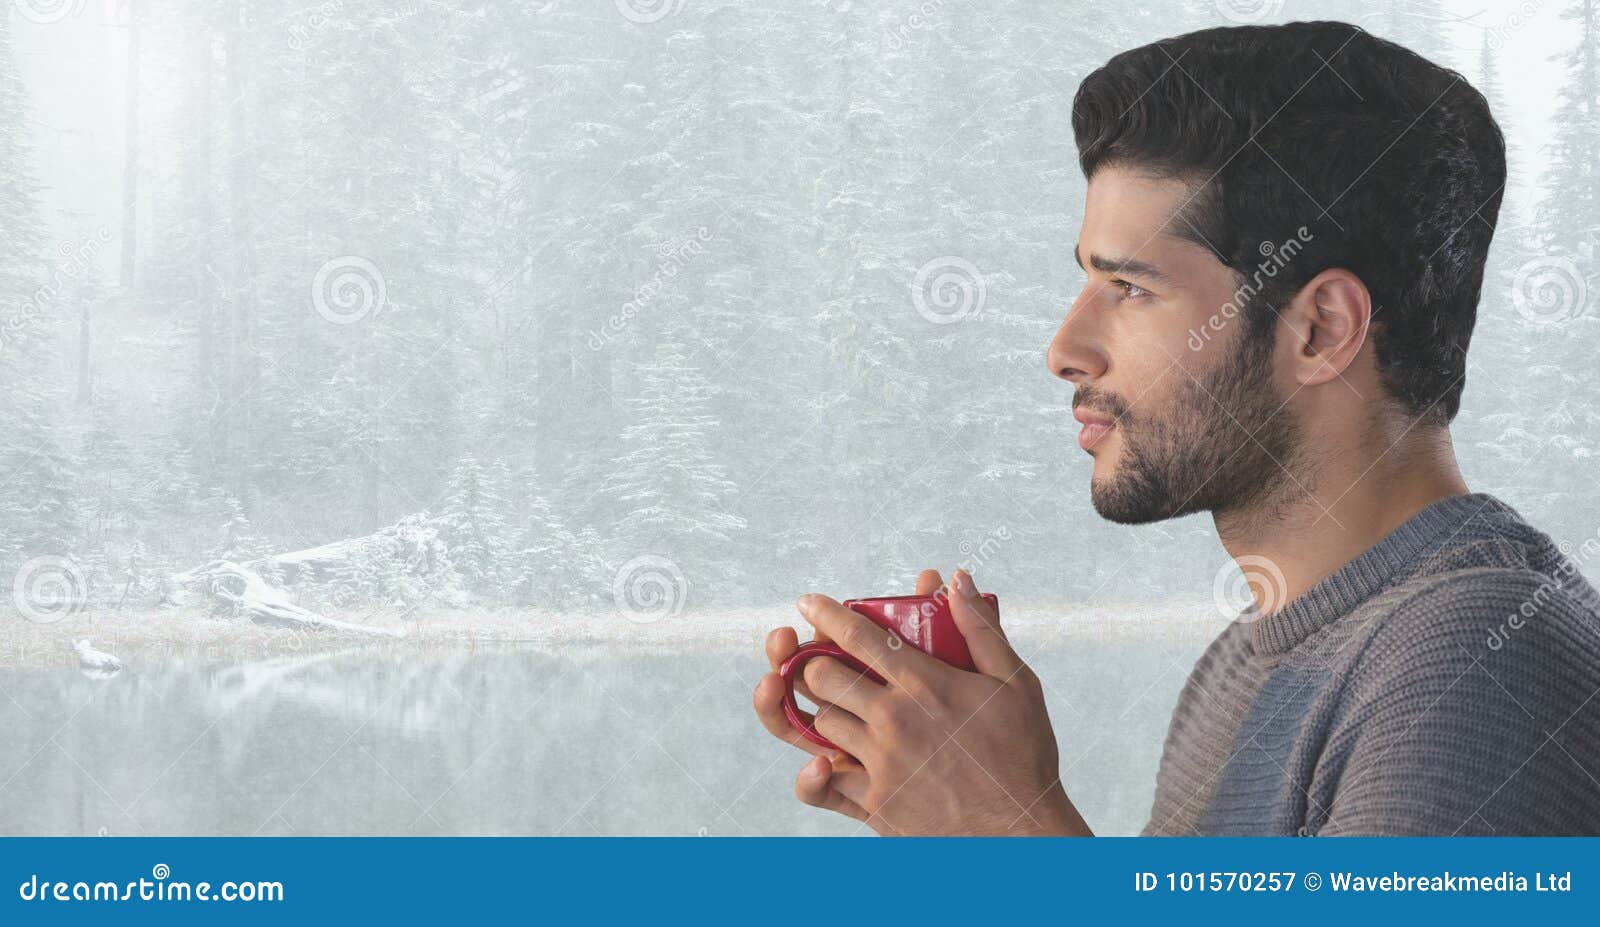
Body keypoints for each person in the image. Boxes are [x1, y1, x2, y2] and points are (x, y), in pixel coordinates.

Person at [751, 21, 1600, 836]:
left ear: (1322, 329)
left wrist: (1006, 829)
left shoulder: (1479, 666)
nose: (1064, 349)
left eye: (1131, 289)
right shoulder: (1245, 661)